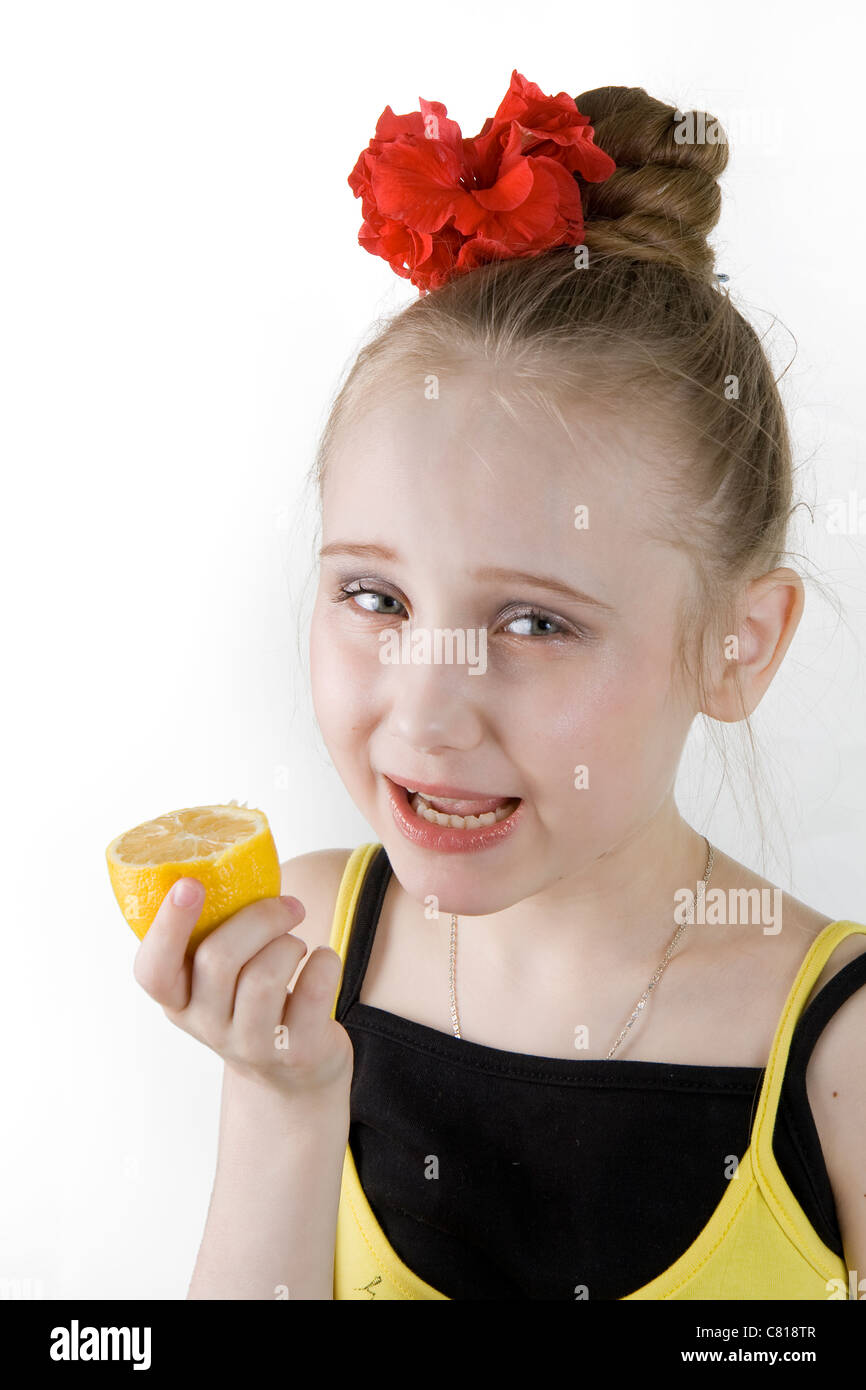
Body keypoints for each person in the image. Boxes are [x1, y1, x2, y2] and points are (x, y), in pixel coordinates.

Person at [135, 73, 866, 1301]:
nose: (423, 714)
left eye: (533, 622)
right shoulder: (309, 949)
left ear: (736, 643)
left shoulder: (836, 1053)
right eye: (373, 598)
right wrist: (285, 1095)